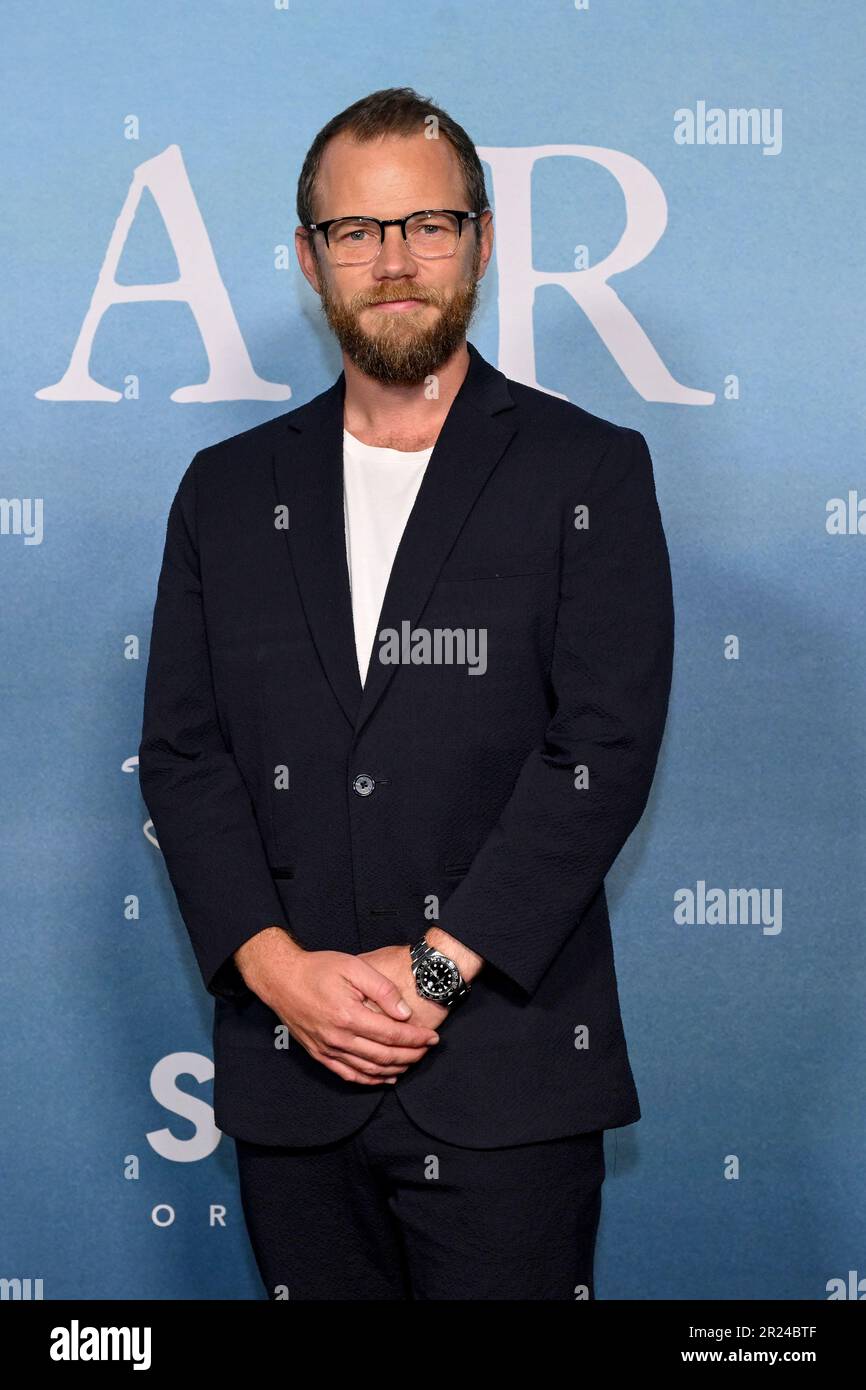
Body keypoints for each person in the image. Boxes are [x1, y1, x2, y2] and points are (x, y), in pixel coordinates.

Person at [138, 86, 675, 1301]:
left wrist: (428, 977)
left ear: (482, 240)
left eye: (427, 225)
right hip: (291, 1079)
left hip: (506, 1077)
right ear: (308, 259)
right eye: (356, 232)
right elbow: (184, 759)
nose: (393, 262)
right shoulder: (225, 494)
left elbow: (600, 750)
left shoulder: (586, 470)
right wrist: (280, 973)